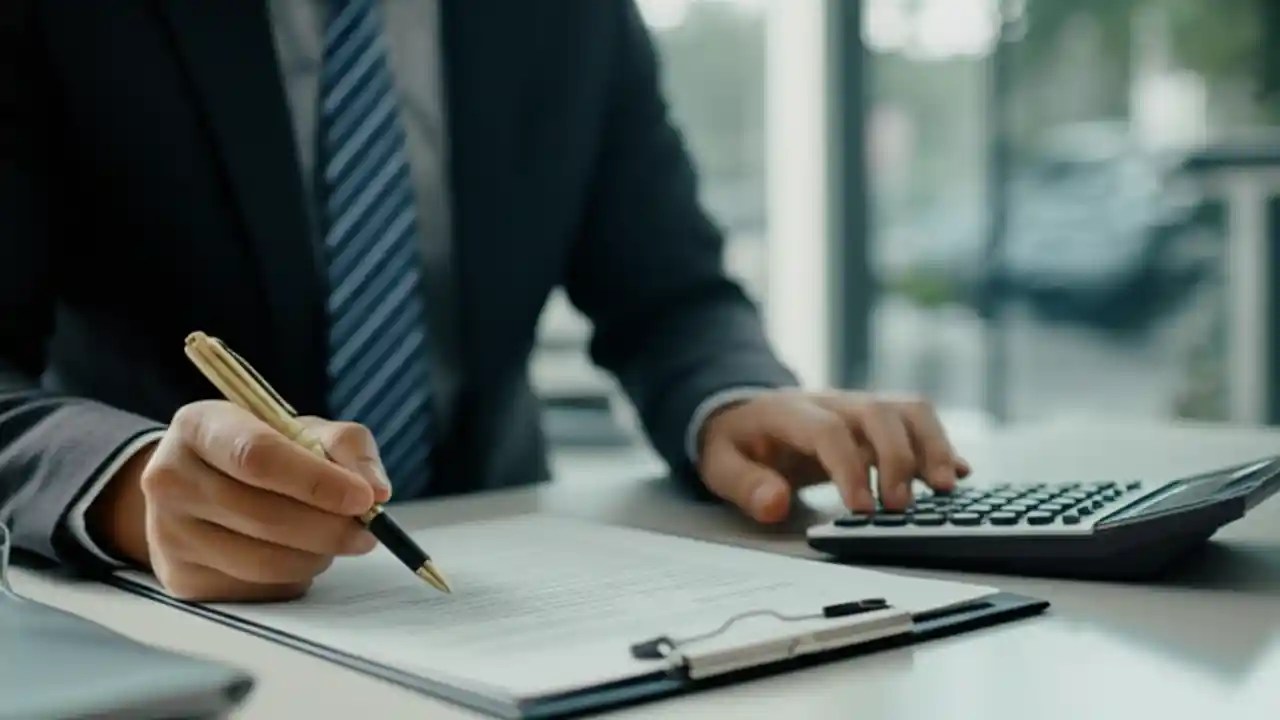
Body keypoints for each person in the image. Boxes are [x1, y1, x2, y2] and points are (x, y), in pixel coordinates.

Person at [0, 0, 968, 602]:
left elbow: (667, 291)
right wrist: (123, 487)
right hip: (183, 616)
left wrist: (731, 395)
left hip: (513, 590)